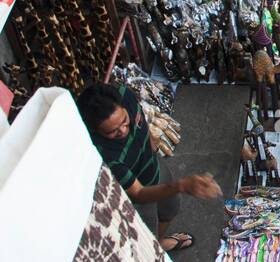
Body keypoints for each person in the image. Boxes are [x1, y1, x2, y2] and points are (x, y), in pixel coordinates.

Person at [77, 81, 222, 253]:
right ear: (96, 131)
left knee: (170, 209)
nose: (124, 130)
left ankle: (159, 242)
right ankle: (154, 249)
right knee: (145, 234)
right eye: (112, 132)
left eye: (124, 121)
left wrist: (150, 140)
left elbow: (140, 117)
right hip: (139, 198)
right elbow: (139, 193)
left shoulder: (125, 95)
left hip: (155, 167)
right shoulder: (104, 155)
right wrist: (181, 186)